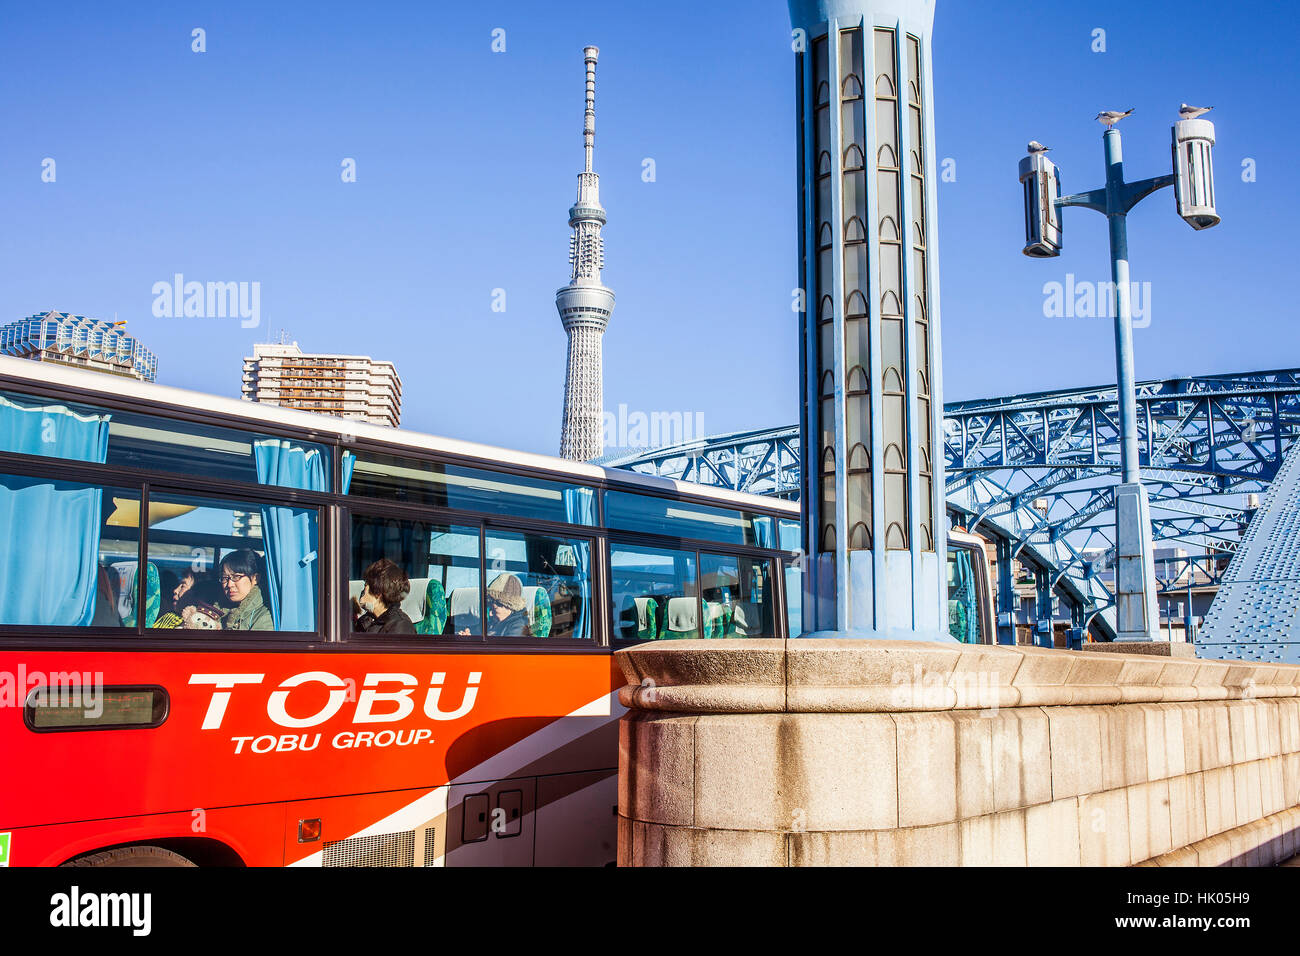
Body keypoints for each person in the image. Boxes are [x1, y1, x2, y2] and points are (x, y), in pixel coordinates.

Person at [353, 559, 416, 635]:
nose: (362, 592)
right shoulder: (366, 620)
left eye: (365, 586)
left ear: (377, 593)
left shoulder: (401, 626)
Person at [457, 572, 530, 638]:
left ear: (509, 606)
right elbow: (476, 630)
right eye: (490, 608)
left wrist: (473, 643)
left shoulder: (519, 627)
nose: (490, 614)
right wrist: (467, 633)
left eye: (495, 610)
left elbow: (503, 650)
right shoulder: (494, 622)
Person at [217, 550, 273, 631]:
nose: (229, 584)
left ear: (255, 578)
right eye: (225, 578)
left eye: (236, 577)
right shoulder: (218, 609)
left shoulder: (263, 616)